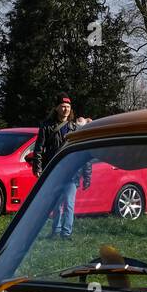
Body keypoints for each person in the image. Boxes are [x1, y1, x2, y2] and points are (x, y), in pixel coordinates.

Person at [32, 95, 91, 238]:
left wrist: (87, 175)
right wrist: (38, 168)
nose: (66, 109)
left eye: (68, 107)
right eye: (63, 106)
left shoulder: (75, 128)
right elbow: (38, 149)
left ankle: (66, 233)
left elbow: (83, 153)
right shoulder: (46, 126)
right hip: (53, 171)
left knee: (69, 204)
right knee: (56, 204)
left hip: (71, 174)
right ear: (57, 108)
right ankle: (56, 230)